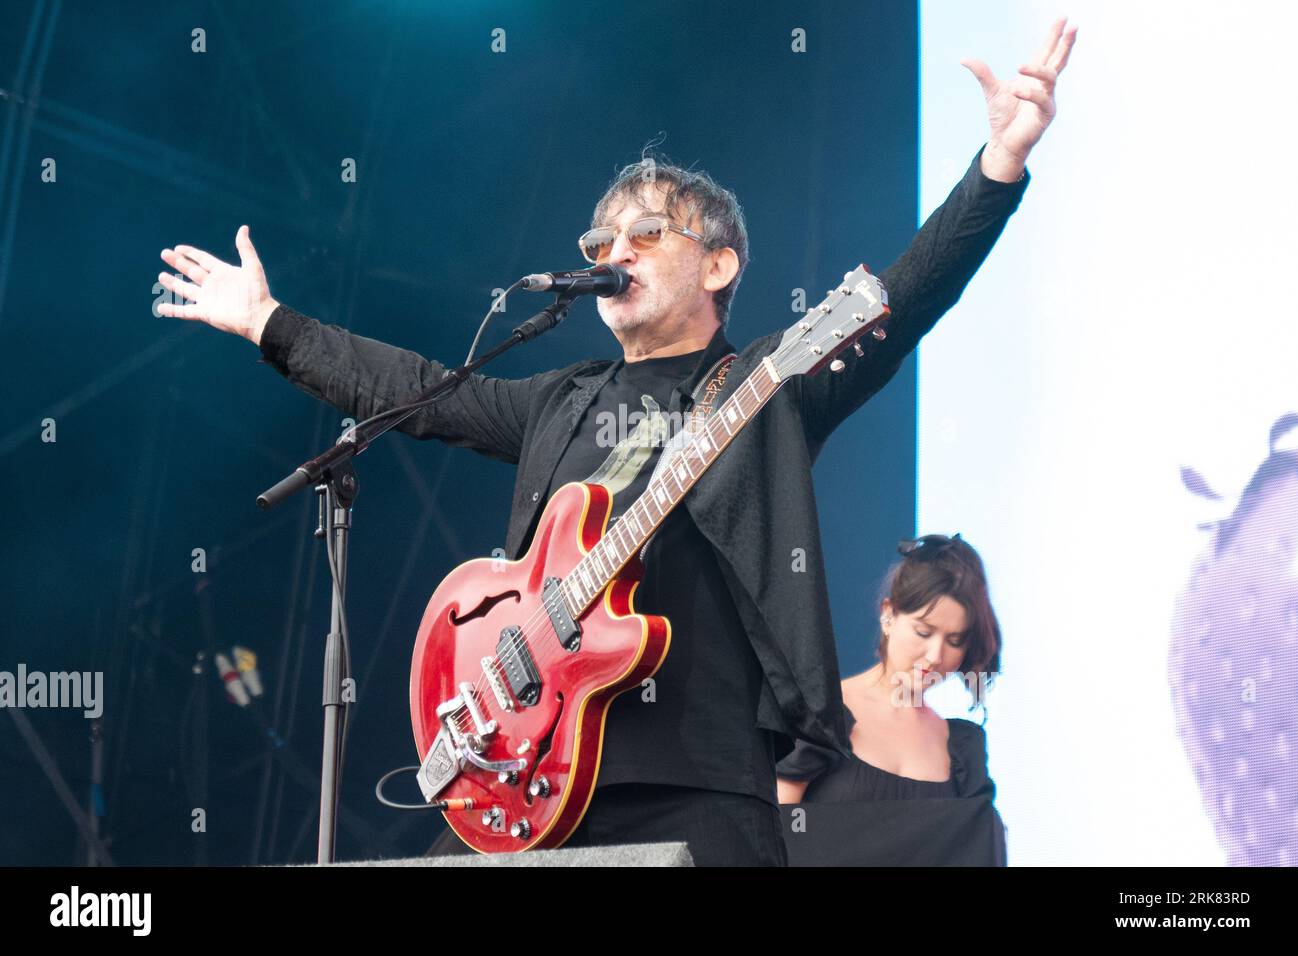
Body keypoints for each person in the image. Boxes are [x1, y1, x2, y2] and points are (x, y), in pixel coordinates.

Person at [154, 19, 1075, 866]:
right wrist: (271, 323)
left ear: (719, 265)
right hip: (528, 766)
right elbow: (413, 392)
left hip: (694, 780)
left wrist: (995, 166)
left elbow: (904, 300)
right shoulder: (558, 400)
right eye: (603, 236)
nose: (614, 249)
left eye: (646, 232)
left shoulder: (764, 391)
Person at [776, 534, 1008, 866]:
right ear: (889, 615)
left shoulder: (961, 749)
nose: (935, 655)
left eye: (954, 641)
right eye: (924, 632)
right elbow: (773, 834)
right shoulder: (823, 712)